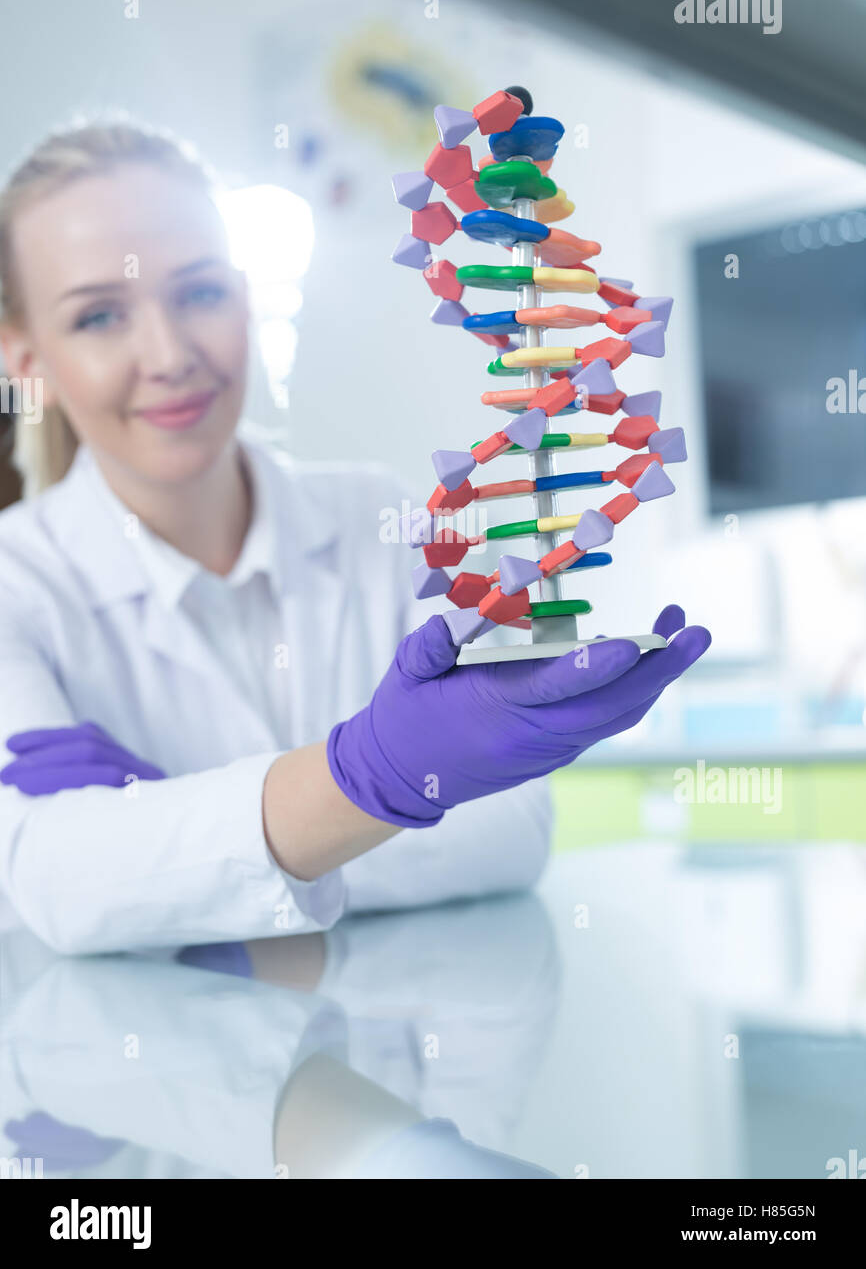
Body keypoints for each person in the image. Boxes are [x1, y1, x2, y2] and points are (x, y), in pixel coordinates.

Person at [0, 118, 710, 955]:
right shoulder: (19, 583)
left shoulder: (383, 523)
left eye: (198, 292)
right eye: (99, 317)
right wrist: (366, 782)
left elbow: (513, 828)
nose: (168, 355)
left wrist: (175, 849)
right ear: (26, 360)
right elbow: (47, 884)